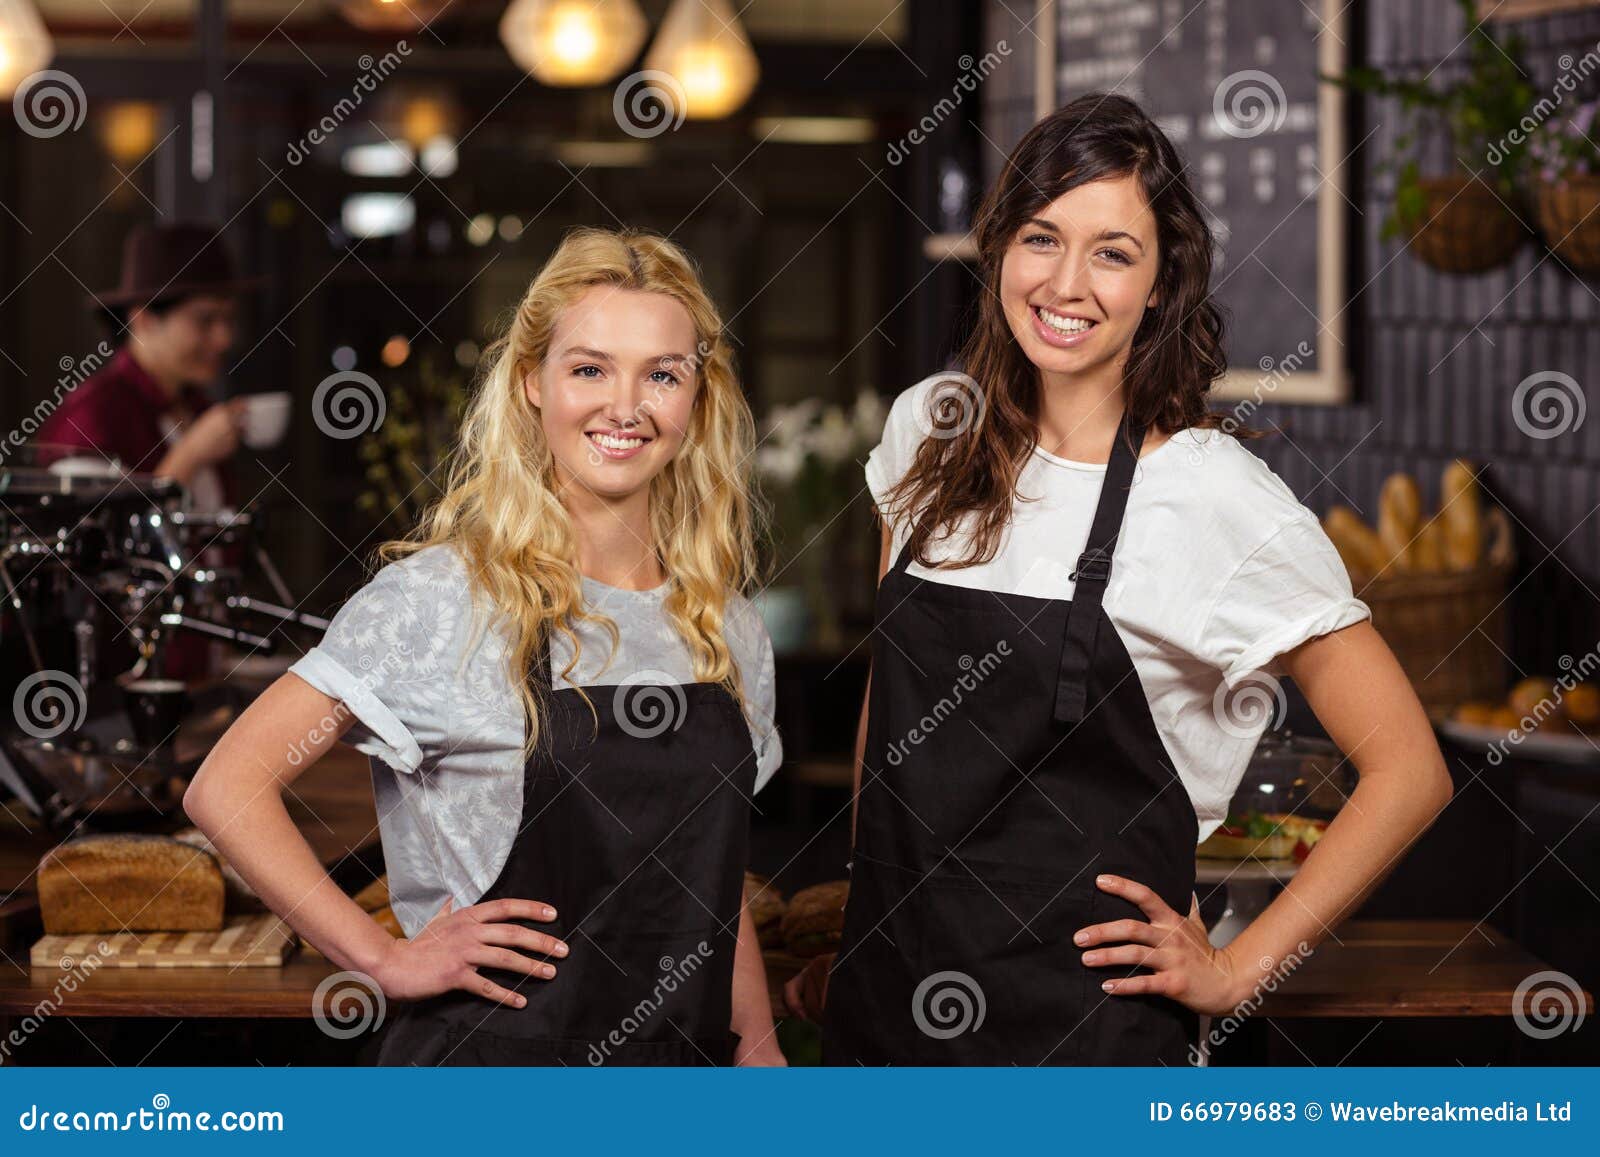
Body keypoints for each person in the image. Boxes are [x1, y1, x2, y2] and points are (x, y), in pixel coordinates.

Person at [785, 93, 1454, 1065]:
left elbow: (1409, 770)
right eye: (1040, 236)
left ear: (1161, 283)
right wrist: (859, 899)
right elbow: (892, 702)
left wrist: (1236, 969)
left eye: (1112, 251)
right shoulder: (928, 427)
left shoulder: (1212, 495)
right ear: (1000, 249)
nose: (1065, 281)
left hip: (1083, 1040)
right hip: (888, 1011)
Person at [185, 227, 786, 1066]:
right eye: (589, 368)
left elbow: (713, 886)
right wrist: (384, 957)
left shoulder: (725, 627)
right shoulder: (441, 601)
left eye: (662, 374)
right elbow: (229, 787)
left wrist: (759, 1050)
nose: (626, 404)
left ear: (698, 397)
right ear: (533, 383)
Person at [38, 221, 253, 498]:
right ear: (144, 320)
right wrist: (191, 454)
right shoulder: (91, 417)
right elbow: (87, 531)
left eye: (228, 319)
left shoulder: (197, 405)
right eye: (205, 320)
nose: (224, 338)